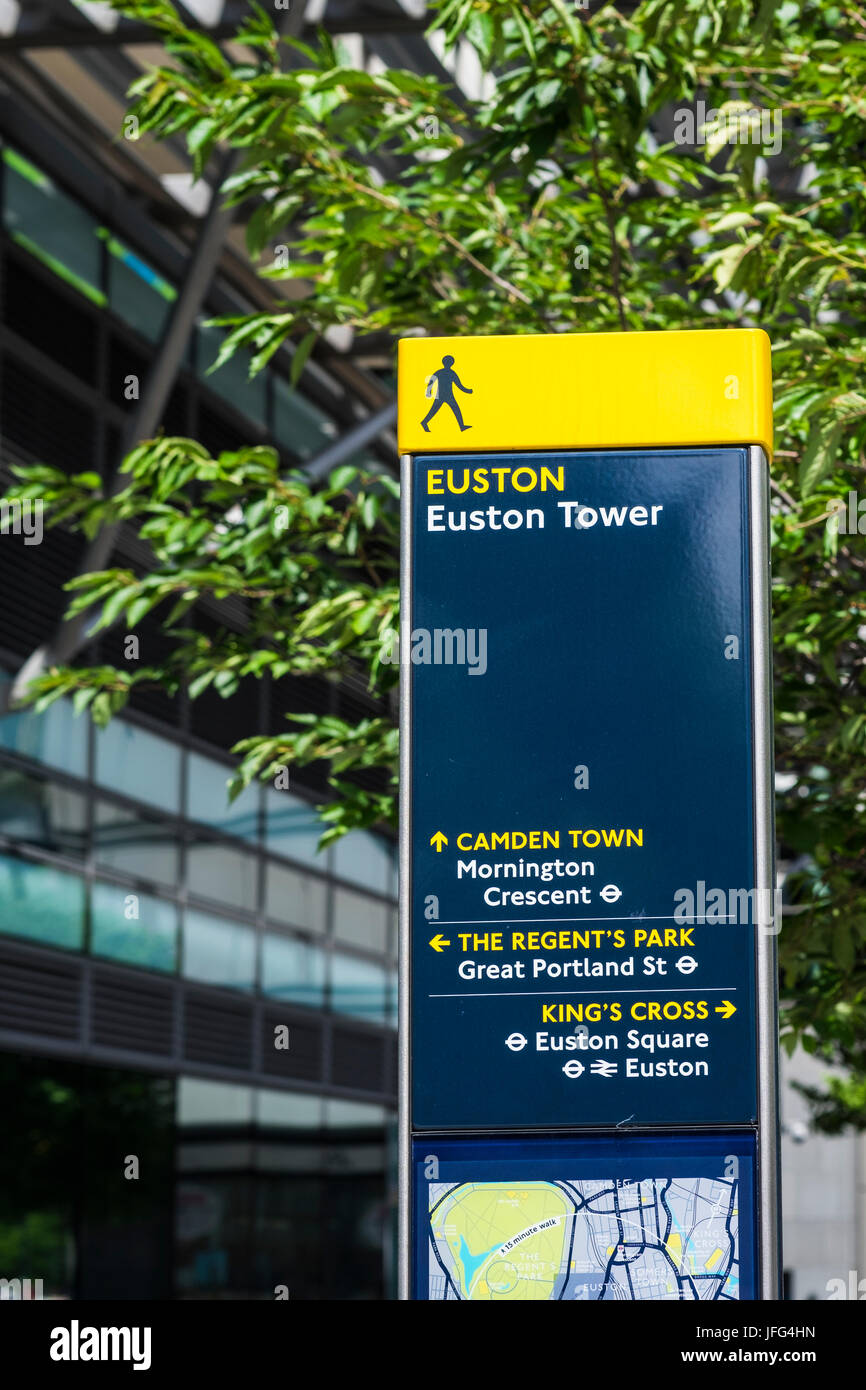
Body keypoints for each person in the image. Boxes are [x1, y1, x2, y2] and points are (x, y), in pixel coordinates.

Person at [421, 356, 473, 431]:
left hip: (447, 395)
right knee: (436, 410)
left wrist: (467, 390)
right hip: (444, 395)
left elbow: (459, 385)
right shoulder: (446, 372)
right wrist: (428, 391)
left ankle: (462, 426)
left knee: (455, 409)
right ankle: (424, 422)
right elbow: (432, 380)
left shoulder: (448, 373)